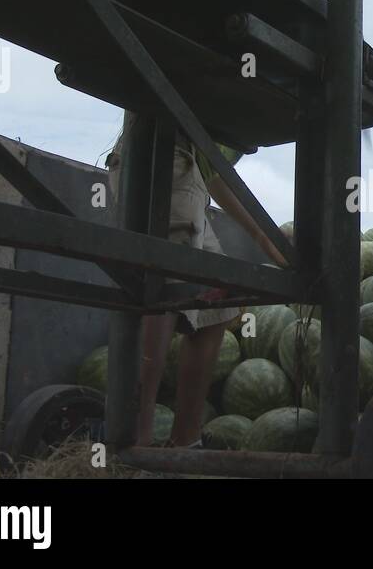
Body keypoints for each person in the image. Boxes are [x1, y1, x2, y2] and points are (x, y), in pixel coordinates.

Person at [107, 112, 285, 447]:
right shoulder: (222, 93)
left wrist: (265, 239)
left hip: (184, 174)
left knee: (216, 310)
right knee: (161, 297)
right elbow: (207, 168)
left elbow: (211, 174)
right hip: (165, 164)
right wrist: (265, 238)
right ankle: (134, 443)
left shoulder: (208, 132)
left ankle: (185, 442)